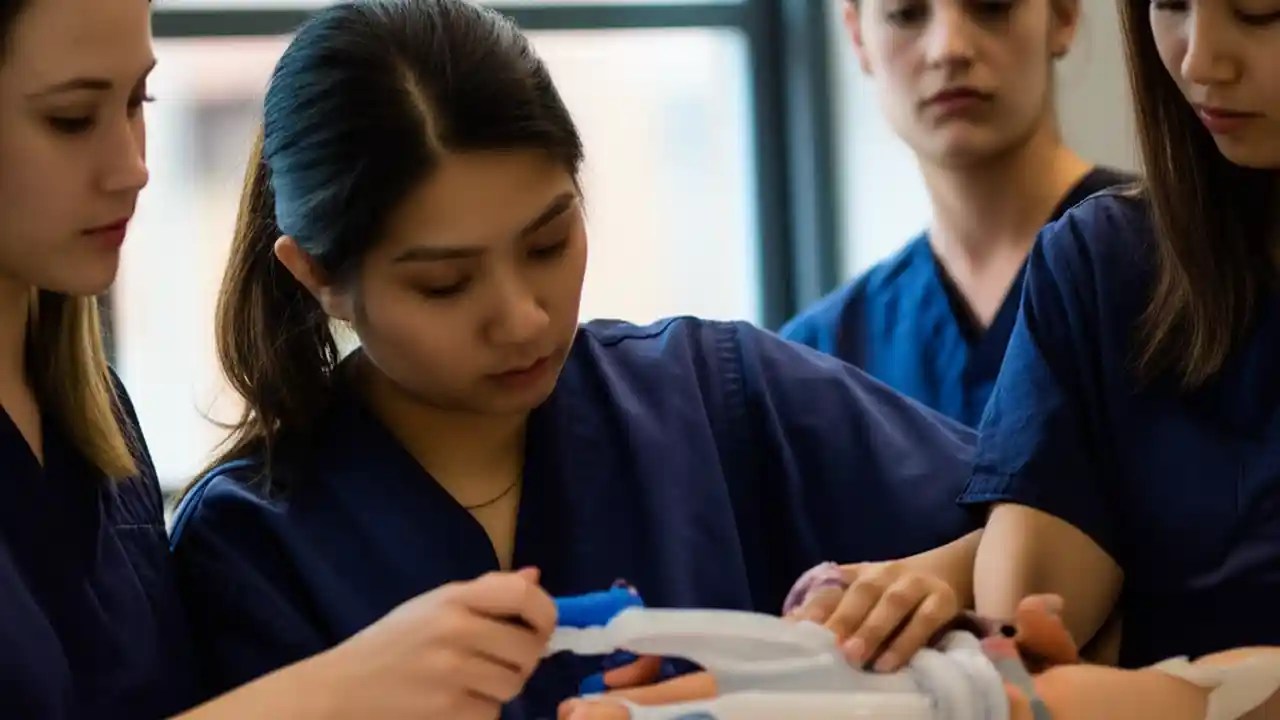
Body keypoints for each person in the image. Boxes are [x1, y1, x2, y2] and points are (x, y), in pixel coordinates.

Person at [166, 0, 986, 717]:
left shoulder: (719, 396)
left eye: (550, 242)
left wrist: (935, 580)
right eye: (446, 285)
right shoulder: (250, 547)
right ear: (318, 277)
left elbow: (1056, 524)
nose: (524, 318)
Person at [0, 0, 566, 717]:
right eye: (71, 119)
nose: (133, 167)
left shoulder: (94, 429)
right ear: (320, 280)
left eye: (138, 100)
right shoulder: (245, 539)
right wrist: (335, 691)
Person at [781, 0, 1134, 428]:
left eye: (990, 6)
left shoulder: (1184, 271)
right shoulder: (820, 360)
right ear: (858, 36)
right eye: (906, 14)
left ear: (1062, 16)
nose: (949, 48)